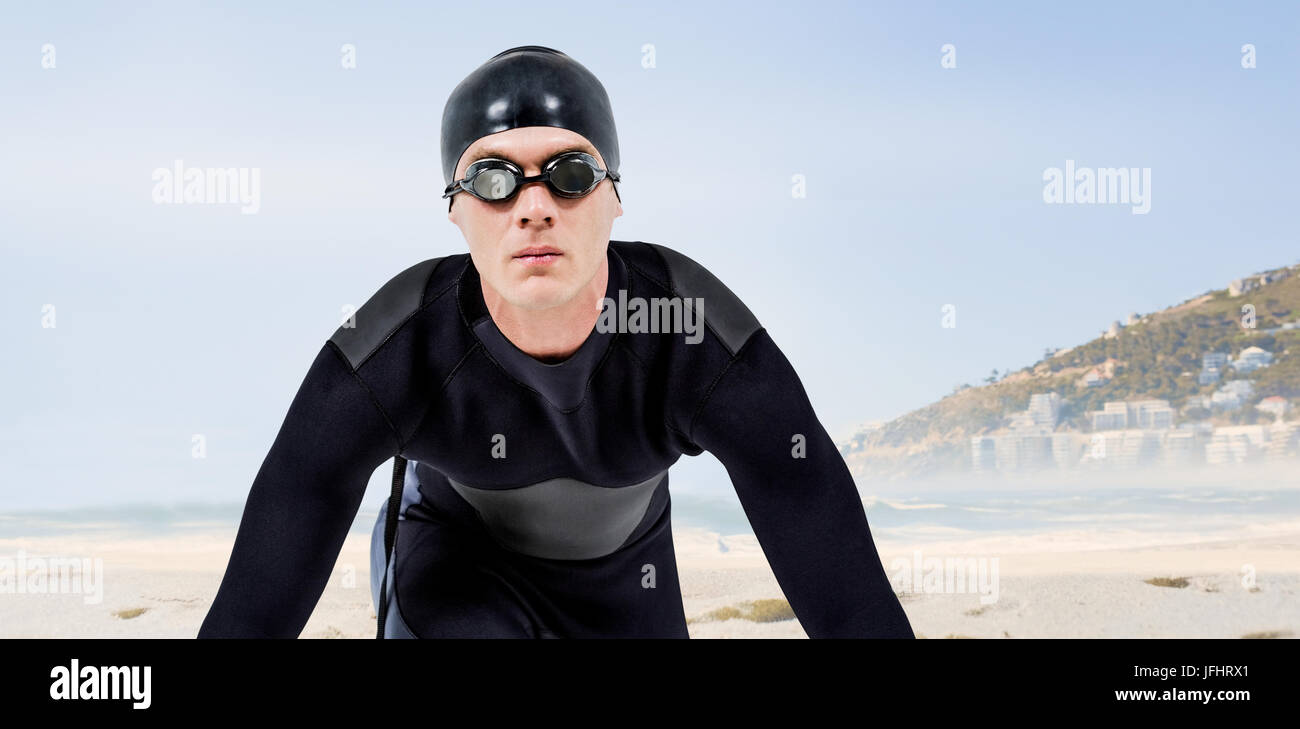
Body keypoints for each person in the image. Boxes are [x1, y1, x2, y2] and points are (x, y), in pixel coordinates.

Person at [197, 45, 913, 639]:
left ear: (615, 196)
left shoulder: (692, 333)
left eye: (570, 175)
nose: (533, 207)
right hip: (456, 571)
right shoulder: (395, 348)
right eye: (493, 178)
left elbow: (850, 602)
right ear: (455, 208)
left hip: (629, 581)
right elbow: (254, 610)